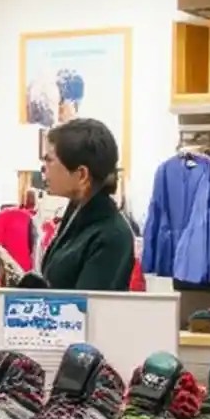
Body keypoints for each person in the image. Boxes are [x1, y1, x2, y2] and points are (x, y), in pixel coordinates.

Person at [34, 117, 135, 291]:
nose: (43, 168)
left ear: (81, 174)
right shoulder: (76, 213)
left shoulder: (111, 236)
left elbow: (86, 305)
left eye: (49, 160)